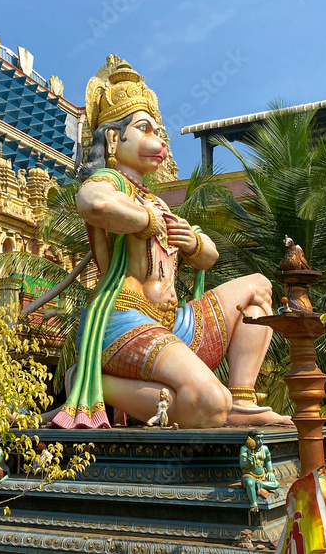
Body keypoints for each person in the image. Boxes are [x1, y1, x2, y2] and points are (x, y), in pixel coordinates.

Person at [50, 57, 289, 429]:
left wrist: (193, 242)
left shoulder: (157, 201)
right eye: (143, 129)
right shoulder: (109, 183)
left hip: (173, 321)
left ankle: (242, 398)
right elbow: (92, 204)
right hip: (123, 319)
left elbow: (210, 257)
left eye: (158, 132)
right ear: (114, 138)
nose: (158, 141)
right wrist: (144, 220)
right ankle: (92, 381)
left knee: (258, 287)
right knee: (209, 404)